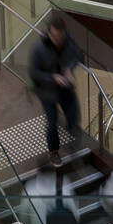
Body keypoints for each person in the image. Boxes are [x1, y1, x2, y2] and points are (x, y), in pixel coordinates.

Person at [28, 12, 82, 165]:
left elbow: (76, 56)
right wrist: (52, 77)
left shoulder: (70, 42)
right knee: (52, 123)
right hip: (47, 92)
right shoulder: (38, 49)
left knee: (74, 118)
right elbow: (34, 72)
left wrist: (69, 69)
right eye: (55, 36)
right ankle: (54, 152)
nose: (58, 40)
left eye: (60, 36)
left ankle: (72, 141)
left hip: (66, 88)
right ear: (49, 33)